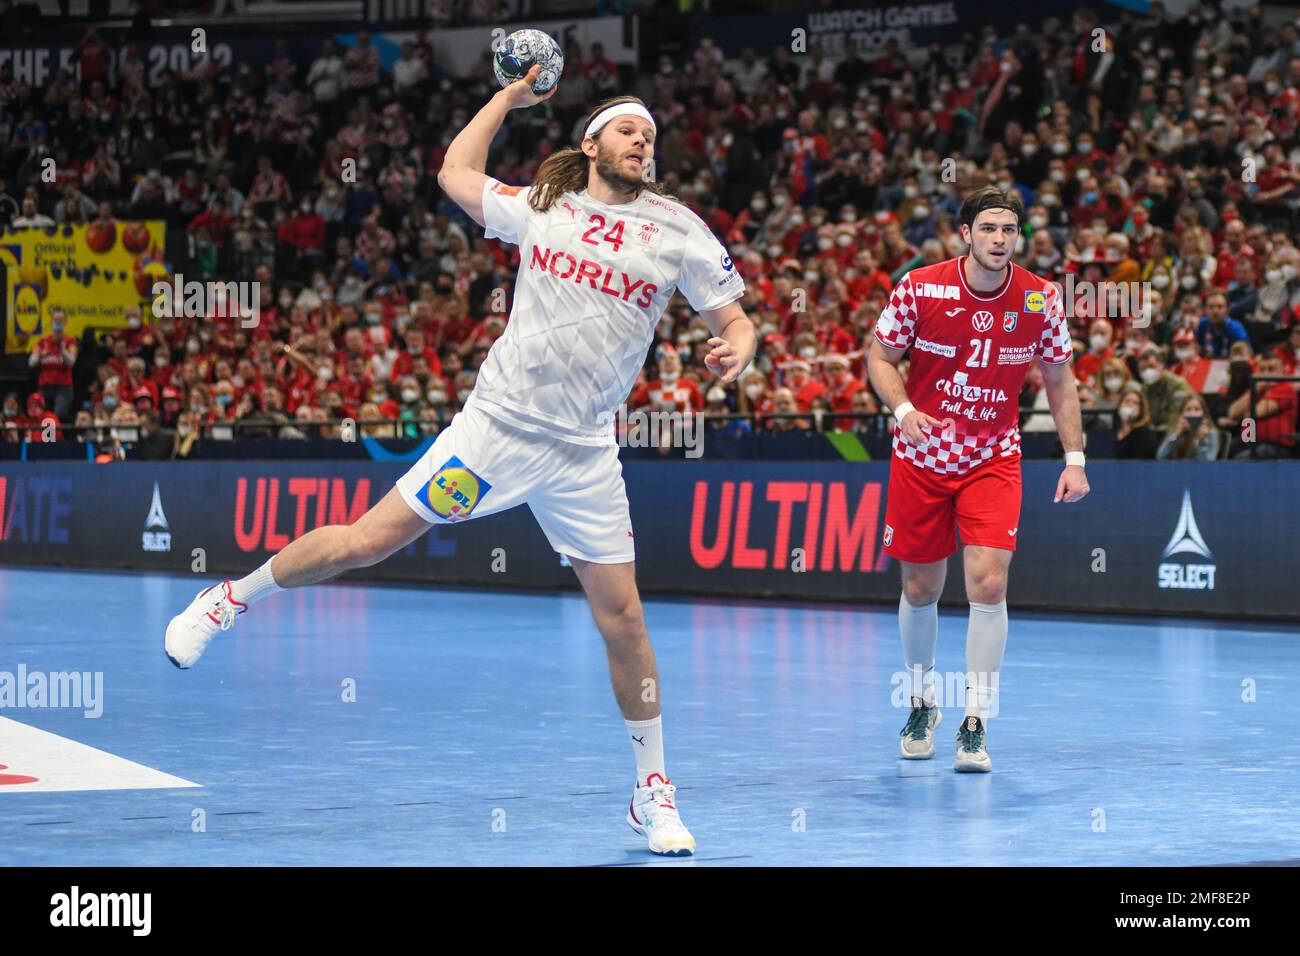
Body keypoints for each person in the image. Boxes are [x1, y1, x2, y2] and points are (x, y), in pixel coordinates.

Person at [163, 68, 757, 857]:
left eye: (650, 133)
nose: (643, 141)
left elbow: (737, 320)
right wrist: (510, 97)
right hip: (497, 429)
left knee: (625, 621)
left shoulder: (677, 228)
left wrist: (736, 354)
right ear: (591, 145)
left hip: (583, 451)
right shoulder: (544, 207)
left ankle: (651, 791)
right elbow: (454, 174)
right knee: (367, 541)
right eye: (627, 130)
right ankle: (230, 598)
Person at [868, 185, 1088, 774]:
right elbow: (880, 357)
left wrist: (1075, 458)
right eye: (988, 228)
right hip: (921, 457)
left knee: (988, 585)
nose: (998, 239)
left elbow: (1060, 378)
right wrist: (904, 412)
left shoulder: (1041, 300)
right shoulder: (920, 286)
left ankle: (976, 721)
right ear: (965, 233)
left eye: (1008, 230)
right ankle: (921, 702)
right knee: (921, 589)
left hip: (993, 458)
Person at [1156, 394, 1222, 460]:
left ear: (1204, 414)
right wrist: (1175, 434)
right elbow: (1160, 457)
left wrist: (1200, 439)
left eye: (1197, 409)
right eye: (1188, 409)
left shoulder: (1211, 433)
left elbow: (1207, 462)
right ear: (1181, 414)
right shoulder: (1177, 431)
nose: (1192, 413)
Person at [1113, 389, 1161, 458]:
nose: (1130, 405)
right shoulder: (1115, 432)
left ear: (1141, 410)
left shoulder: (1144, 434)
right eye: (1127, 401)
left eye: (1135, 403)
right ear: (1120, 405)